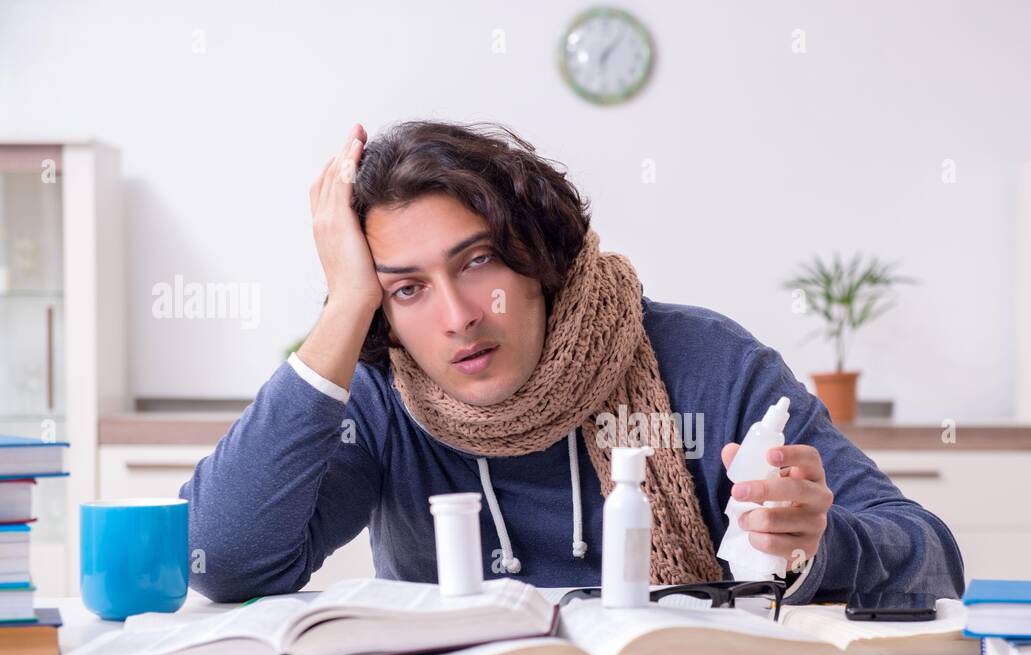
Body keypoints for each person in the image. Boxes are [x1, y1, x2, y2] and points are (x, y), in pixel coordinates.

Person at [181, 121, 964, 604]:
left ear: (538, 256)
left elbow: (933, 559)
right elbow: (222, 559)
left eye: (480, 259)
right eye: (408, 289)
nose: (458, 317)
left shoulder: (706, 365)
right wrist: (345, 310)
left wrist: (814, 543)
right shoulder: (385, 395)